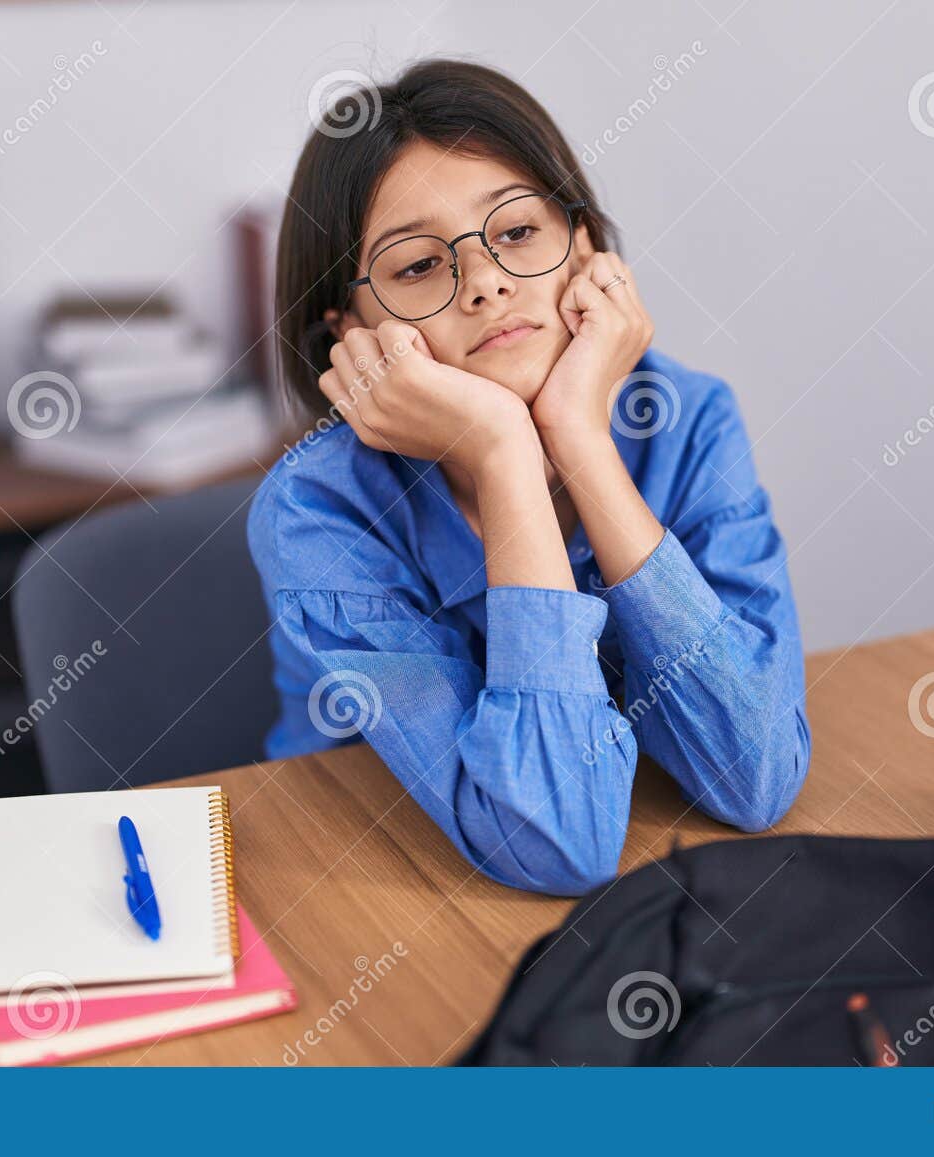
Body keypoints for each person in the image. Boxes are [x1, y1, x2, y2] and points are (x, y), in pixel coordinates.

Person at [250, 58, 810, 895]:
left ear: (585, 252)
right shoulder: (316, 511)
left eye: (516, 233)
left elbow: (753, 776)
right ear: (352, 332)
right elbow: (555, 839)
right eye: (417, 267)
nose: (486, 282)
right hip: (373, 872)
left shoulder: (688, 420)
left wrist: (578, 439)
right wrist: (504, 450)